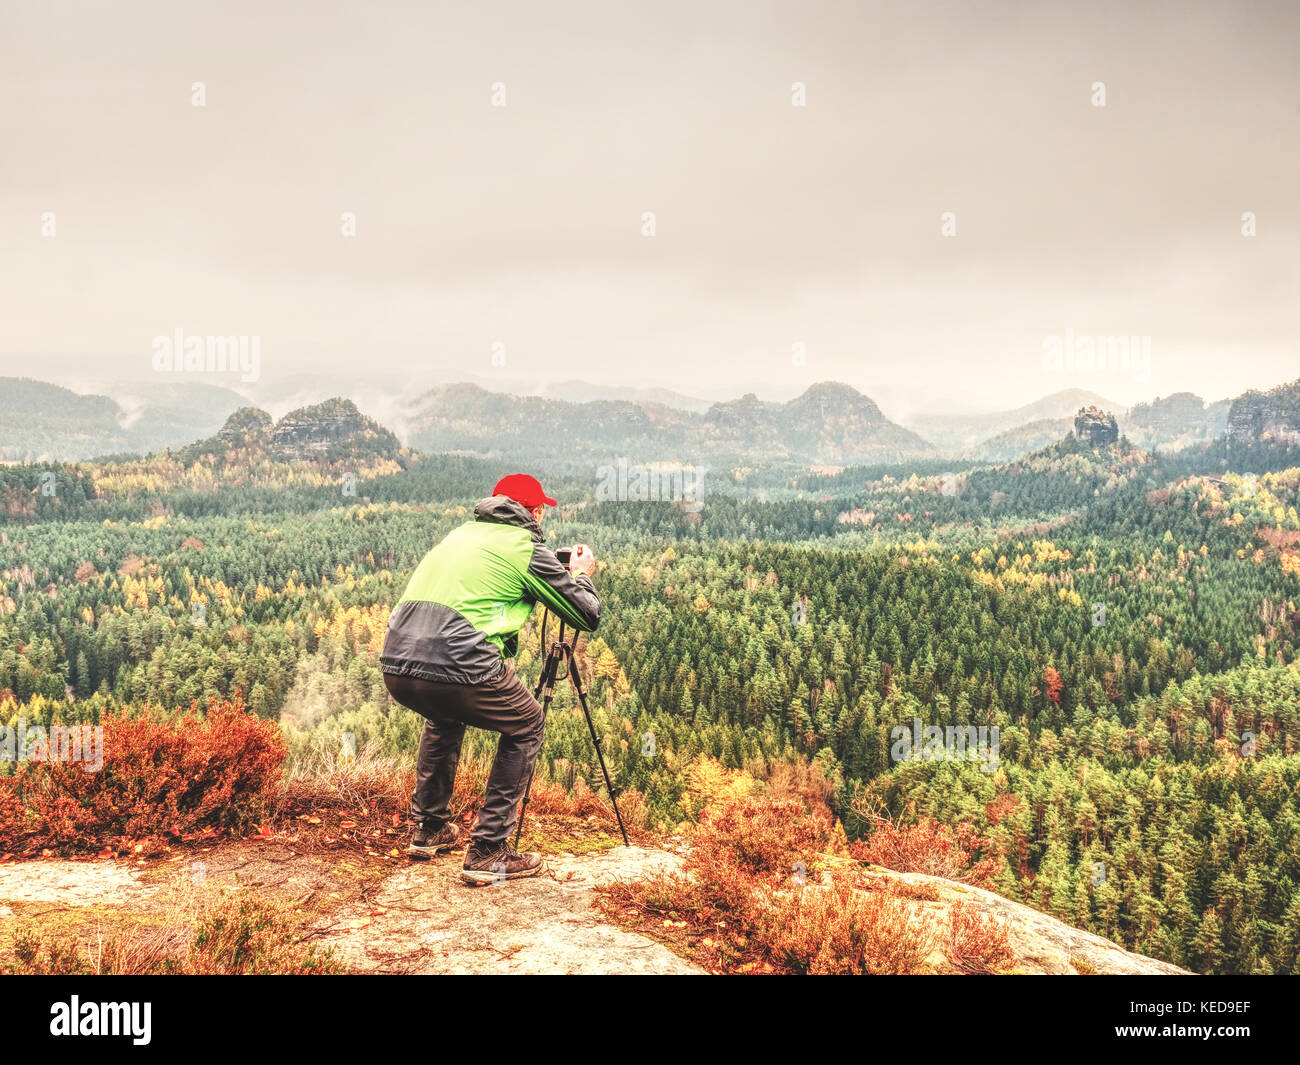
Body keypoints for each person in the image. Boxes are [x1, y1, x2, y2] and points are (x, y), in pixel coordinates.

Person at [380, 473, 599, 884]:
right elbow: (586, 614)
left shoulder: (461, 535)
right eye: (540, 511)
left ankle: (428, 829)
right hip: (458, 659)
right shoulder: (525, 547)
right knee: (527, 722)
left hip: (396, 659)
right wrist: (580, 574)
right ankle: (489, 850)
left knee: (444, 716)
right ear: (534, 512)